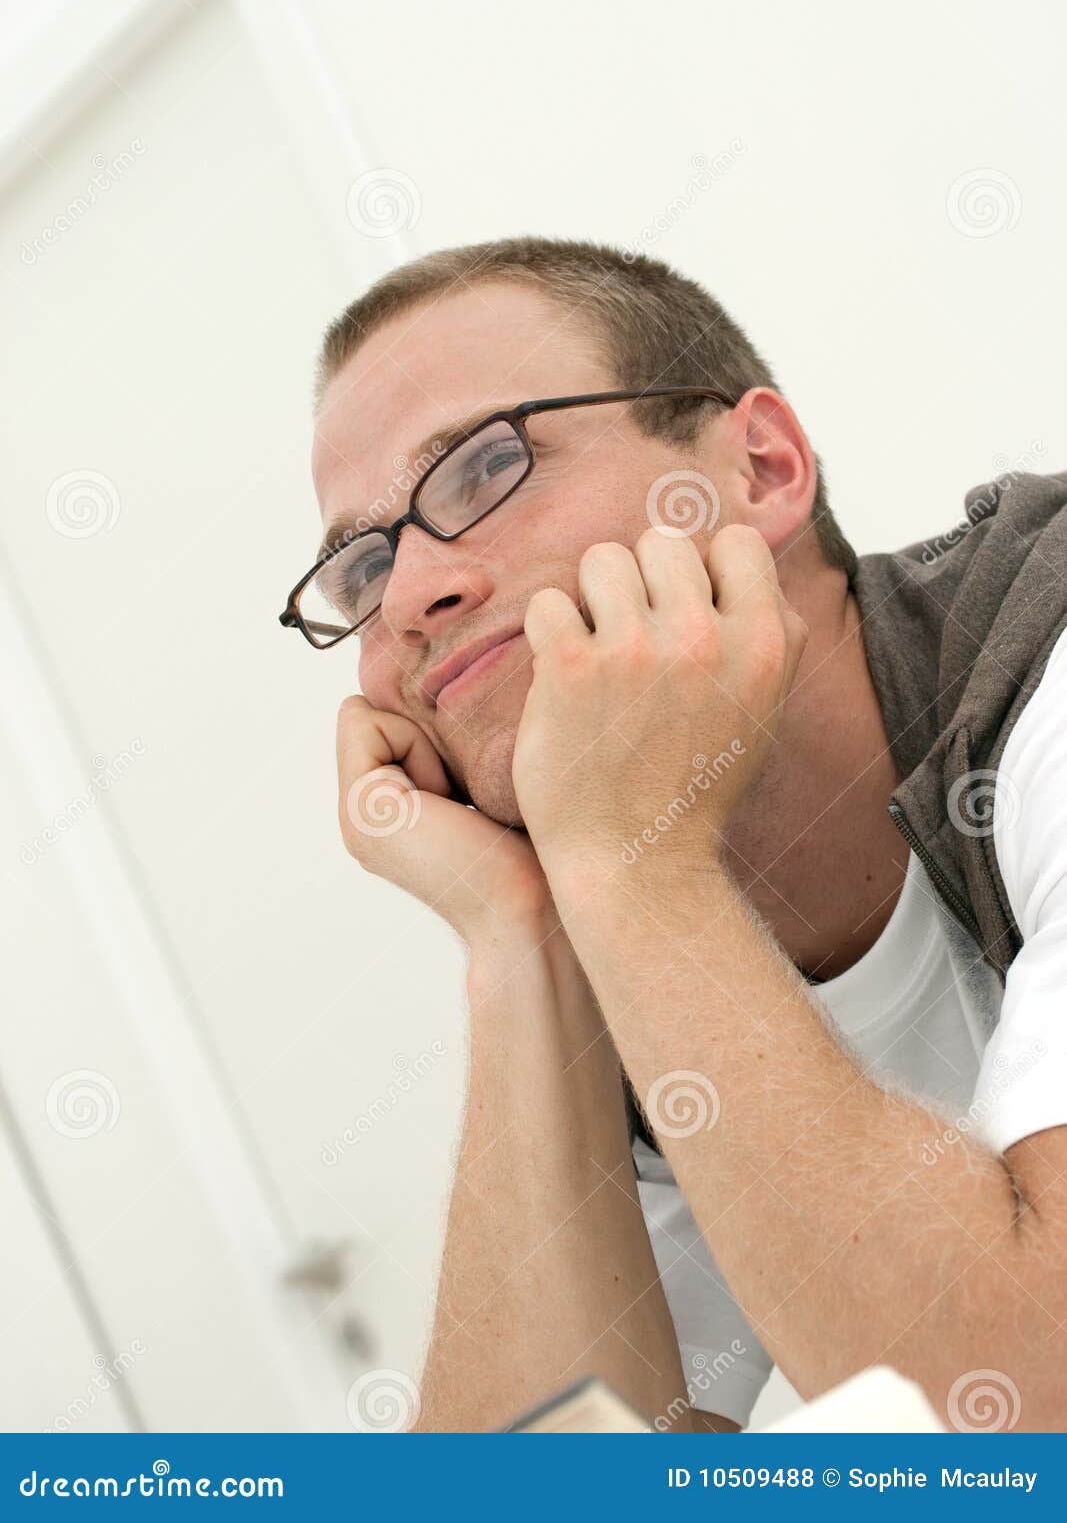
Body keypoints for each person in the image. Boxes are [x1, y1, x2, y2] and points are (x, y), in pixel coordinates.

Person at [280, 236, 1067, 1432]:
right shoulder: (610, 919)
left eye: (487, 465)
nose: (407, 598)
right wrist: (521, 943)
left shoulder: (1042, 667)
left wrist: (629, 863)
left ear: (758, 469)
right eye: (358, 571)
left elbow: (1021, 1415)